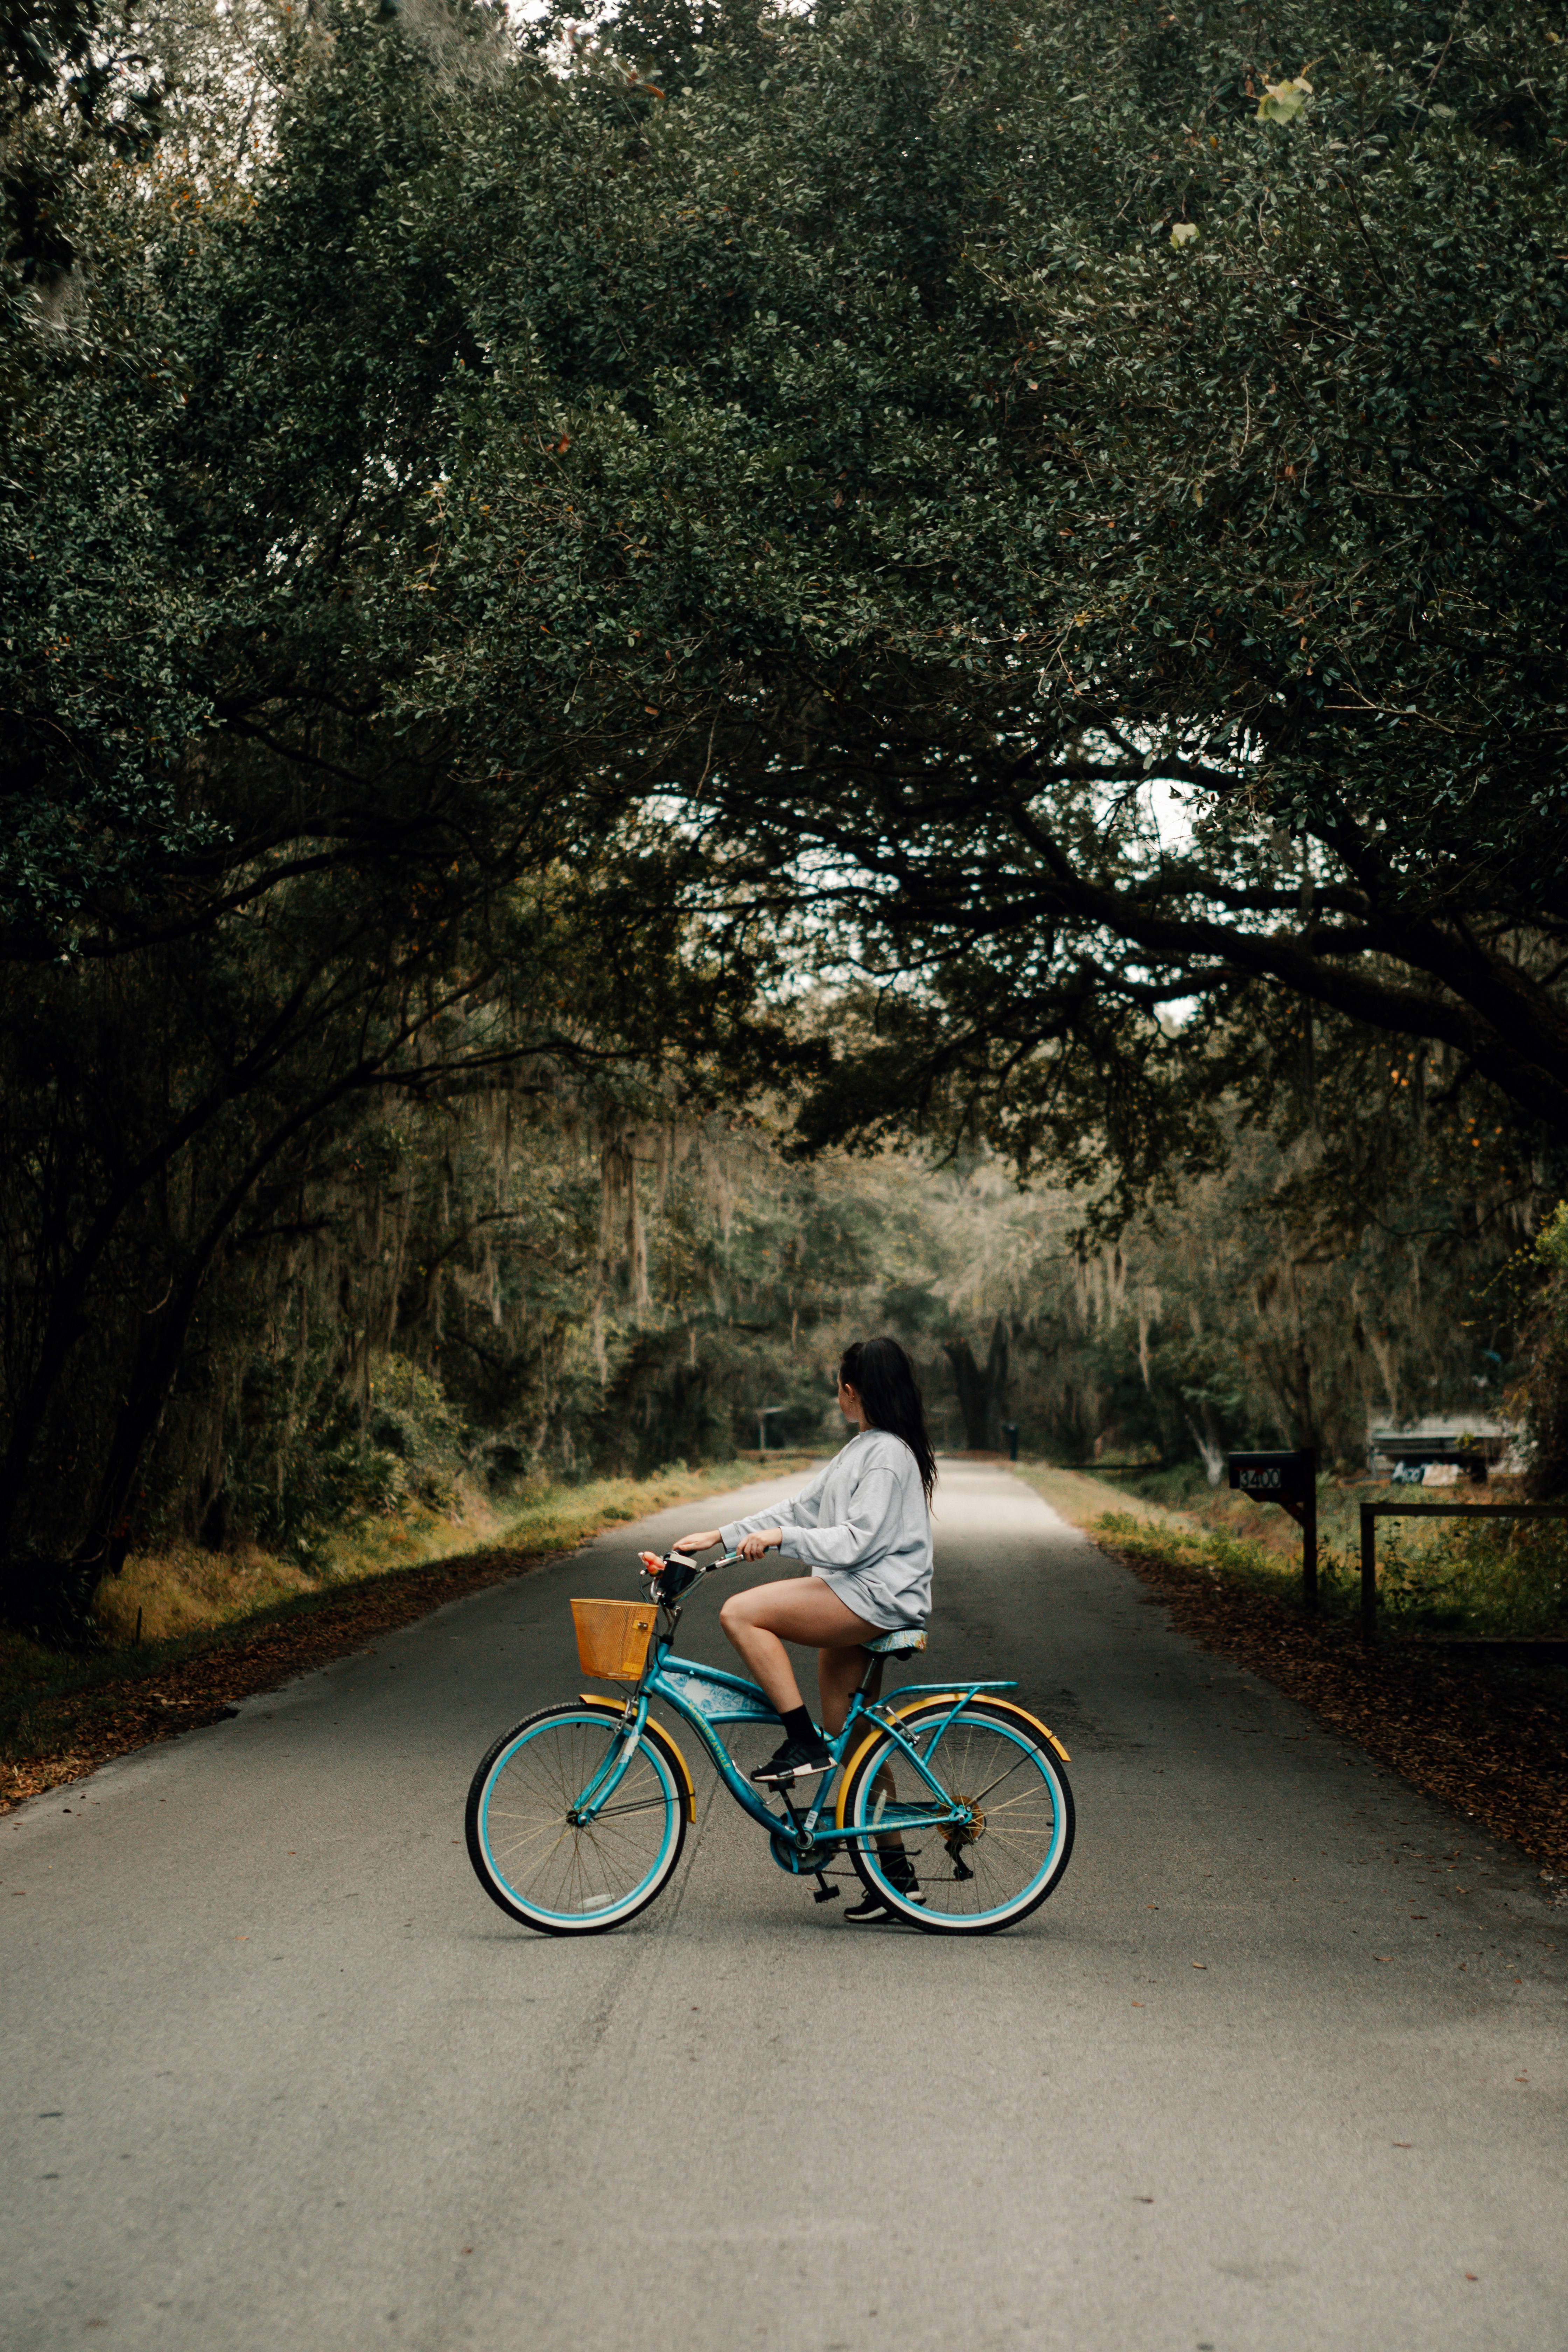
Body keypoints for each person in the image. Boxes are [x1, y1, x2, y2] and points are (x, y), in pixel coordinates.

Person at [674, 1335, 936, 1923]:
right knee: (858, 1745)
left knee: (741, 1612)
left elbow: (857, 1540)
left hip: (873, 1594)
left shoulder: (888, 1454)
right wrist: (718, 1535)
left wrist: (779, 1542)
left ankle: (802, 1740)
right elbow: (799, 1511)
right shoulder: (864, 1448)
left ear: (851, 1390)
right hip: (860, 1589)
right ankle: (898, 1883)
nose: (836, 1394)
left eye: (838, 1386)